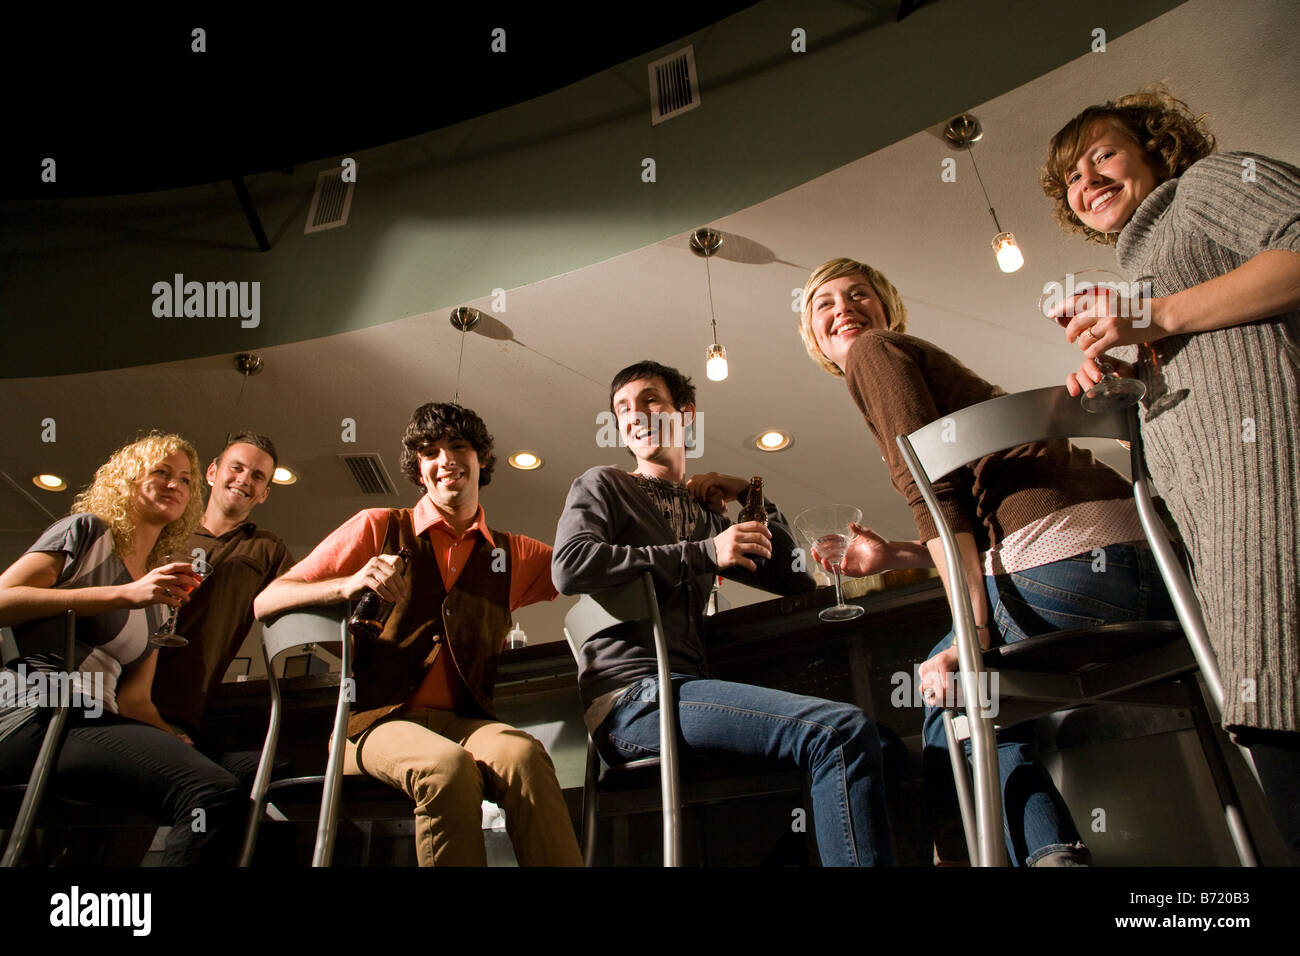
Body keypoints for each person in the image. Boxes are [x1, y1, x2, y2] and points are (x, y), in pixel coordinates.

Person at [798, 258, 1177, 866]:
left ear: (886, 310)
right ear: (813, 338)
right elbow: (987, 509)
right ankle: (1034, 853)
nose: (844, 307)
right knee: (971, 689)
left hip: (1066, 569)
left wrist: (972, 635)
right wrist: (897, 555)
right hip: (1153, 574)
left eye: (859, 293)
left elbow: (934, 491)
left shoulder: (872, 351)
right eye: (824, 303)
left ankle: (1031, 855)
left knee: (946, 687)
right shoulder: (935, 371)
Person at [1041, 87, 1300, 856]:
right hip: (1220, 532)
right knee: (1275, 731)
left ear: (1158, 147)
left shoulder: (1208, 186)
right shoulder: (1146, 277)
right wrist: (1121, 382)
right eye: (1071, 181)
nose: (1086, 182)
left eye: (1103, 155)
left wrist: (1156, 317)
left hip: (1277, 495)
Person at [552, 359, 894, 866]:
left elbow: (794, 580)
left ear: (685, 415)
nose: (635, 414)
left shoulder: (705, 515)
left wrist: (748, 493)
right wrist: (706, 552)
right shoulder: (603, 483)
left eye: (650, 400)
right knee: (841, 732)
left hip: (686, 693)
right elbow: (570, 565)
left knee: (882, 745)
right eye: (623, 408)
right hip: (635, 701)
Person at [254, 402, 581, 867]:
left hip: (467, 724)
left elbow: (590, 569)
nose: (445, 459)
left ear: (482, 459)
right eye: (430, 452)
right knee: (447, 770)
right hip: (371, 725)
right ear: (419, 470)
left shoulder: (512, 553)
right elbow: (264, 601)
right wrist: (346, 585)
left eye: (458, 447)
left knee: (525, 756)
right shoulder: (378, 526)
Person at [0, 432, 243, 866]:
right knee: (210, 792)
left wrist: (172, 737)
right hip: (36, 713)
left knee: (237, 783)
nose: (176, 485)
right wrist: (123, 595)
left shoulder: (154, 592)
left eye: (186, 480)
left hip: (98, 722)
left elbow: (134, 700)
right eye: (161, 473)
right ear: (127, 481)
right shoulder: (88, 534)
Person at [151, 431, 293, 766]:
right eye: (237, 468)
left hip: (187, 706)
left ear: (264, 494)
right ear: (213, 472)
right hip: (120, 691)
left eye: (257, 476)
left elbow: (301, 599)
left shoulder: (267, 548)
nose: (245, 479)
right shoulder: (164, 528)